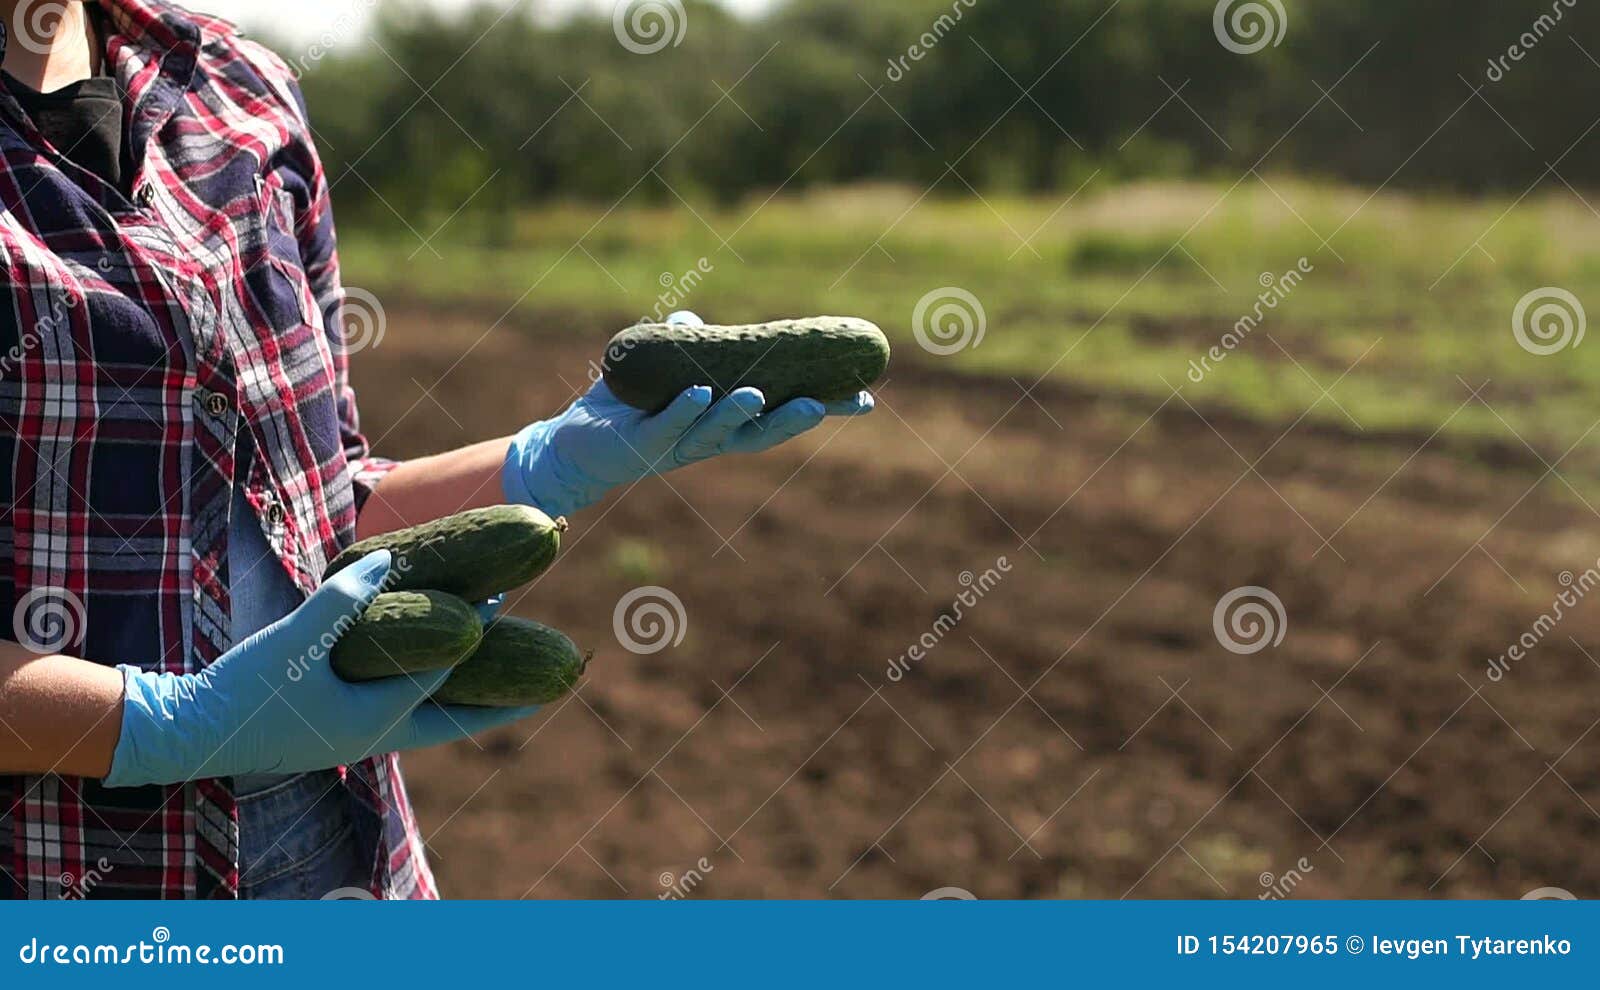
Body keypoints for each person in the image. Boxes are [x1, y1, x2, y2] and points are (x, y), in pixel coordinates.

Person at [0, 0, 872, 899]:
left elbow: (321, 504)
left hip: (348, 860)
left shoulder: (236, 87)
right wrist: (175, 726)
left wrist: (554, 462)